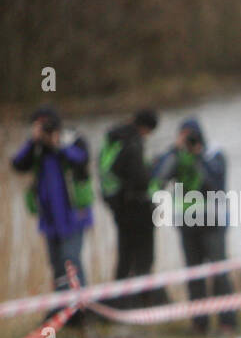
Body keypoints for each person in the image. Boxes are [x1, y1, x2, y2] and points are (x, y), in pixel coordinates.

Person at [150, 117, 236, 334]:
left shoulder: (214, 154)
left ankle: (227, 321)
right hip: (188, 223)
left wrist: (198, 156)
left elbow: (214, 183)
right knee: (194, 275)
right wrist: (174, 151)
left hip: (213, 222)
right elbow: (159, 178)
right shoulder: (176, 156)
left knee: (219, 274)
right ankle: (199, 323)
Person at [10, 106, 94, 304]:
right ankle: (62, 308)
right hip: (49, 218)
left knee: (71, 260)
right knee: (56, 265)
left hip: (73, 214)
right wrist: (33, 141)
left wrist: (58, 145)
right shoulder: (36, 148)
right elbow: (18, 164)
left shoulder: (72, 139)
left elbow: (82, 159)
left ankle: (81, 307)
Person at [100, 108, 159, 306]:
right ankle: (142, 303)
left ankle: (119, 302)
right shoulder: (133, 143)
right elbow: (140, 179)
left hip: (119, 208)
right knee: (145, 257)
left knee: (124, 257)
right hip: (138, 208)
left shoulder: (113, 139)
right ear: (145, 128)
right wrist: (152, 172)